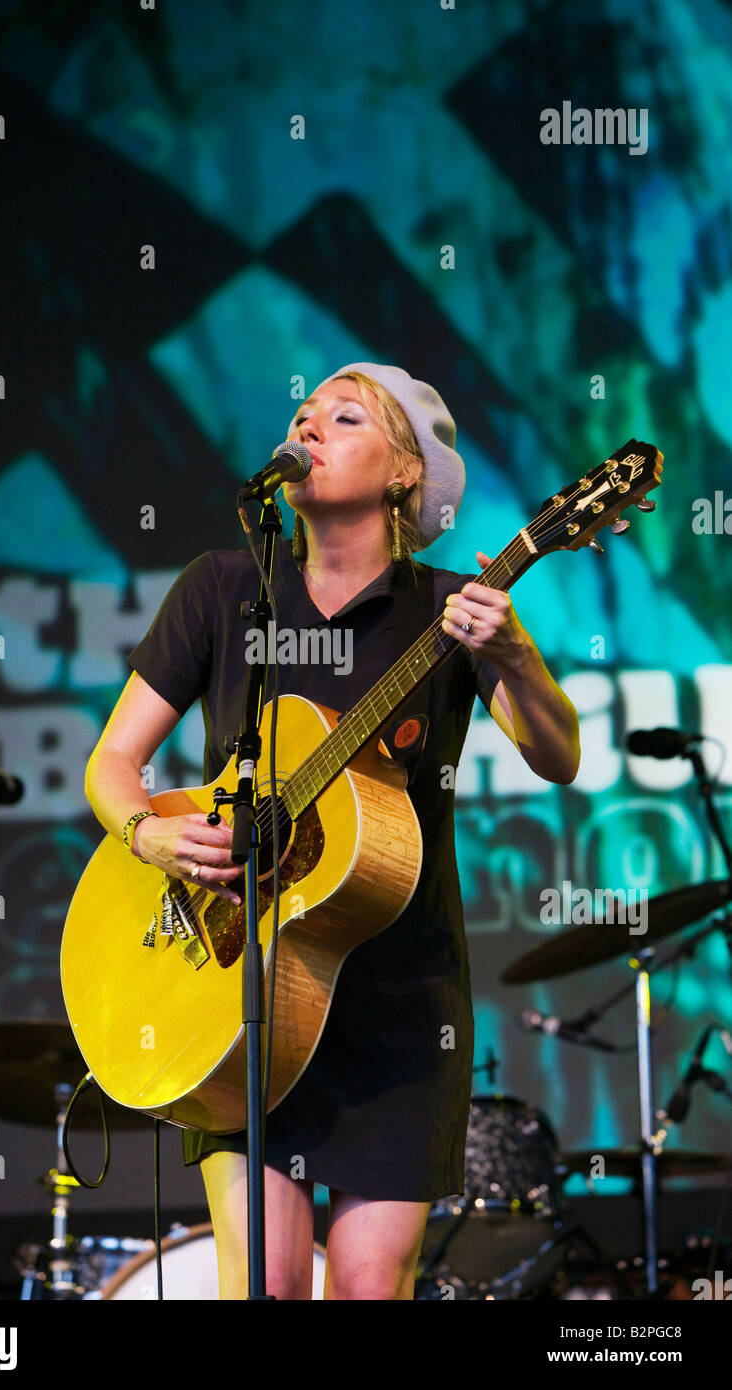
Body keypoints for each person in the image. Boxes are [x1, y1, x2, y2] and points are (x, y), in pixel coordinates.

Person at [84, 362, 580, 1300]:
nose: (307, 428)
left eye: (342, 418)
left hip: (398, 1006)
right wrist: (147, 835)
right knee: (263, 1285)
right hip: (239, 989)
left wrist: (513, 650)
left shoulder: (447, 613)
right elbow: (113, 766)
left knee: (365, 1290)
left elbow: (558, 758)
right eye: (301, 414)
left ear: (405, 473)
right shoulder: (223, 587)